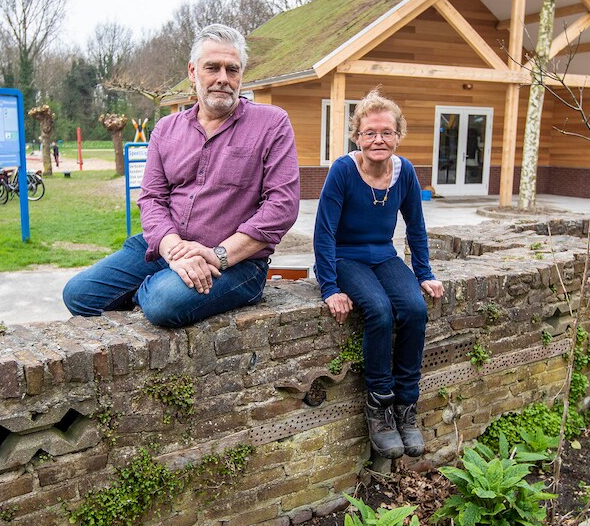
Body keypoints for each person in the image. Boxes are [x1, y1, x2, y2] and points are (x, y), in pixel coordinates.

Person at [62, 24, 300, 328]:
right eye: (212, 67)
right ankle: (162, 279)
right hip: (169, 246)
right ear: (192, 71)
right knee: (79, 294)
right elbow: (151, 198)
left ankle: (152, 289)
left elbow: (283, 205)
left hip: (235, 262)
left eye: (232, 70)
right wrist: (174, 250)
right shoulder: (166, 128)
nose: (223, 79)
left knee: (163, 302)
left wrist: (217, 255)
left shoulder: (272, 123)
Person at [313, 90, 445, 460]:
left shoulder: (404, 172)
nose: (378, 140)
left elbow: (415, 228)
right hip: (345, 258)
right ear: (357, 136)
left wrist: (425, 273)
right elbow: (323, 232)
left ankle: (407, 407)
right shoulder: (343, 170)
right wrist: (329, 288)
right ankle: (380, 410)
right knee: (379, 310)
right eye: (370, 133)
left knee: (415, 309)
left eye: (386, 132)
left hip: (384, 256)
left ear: (397, 136)